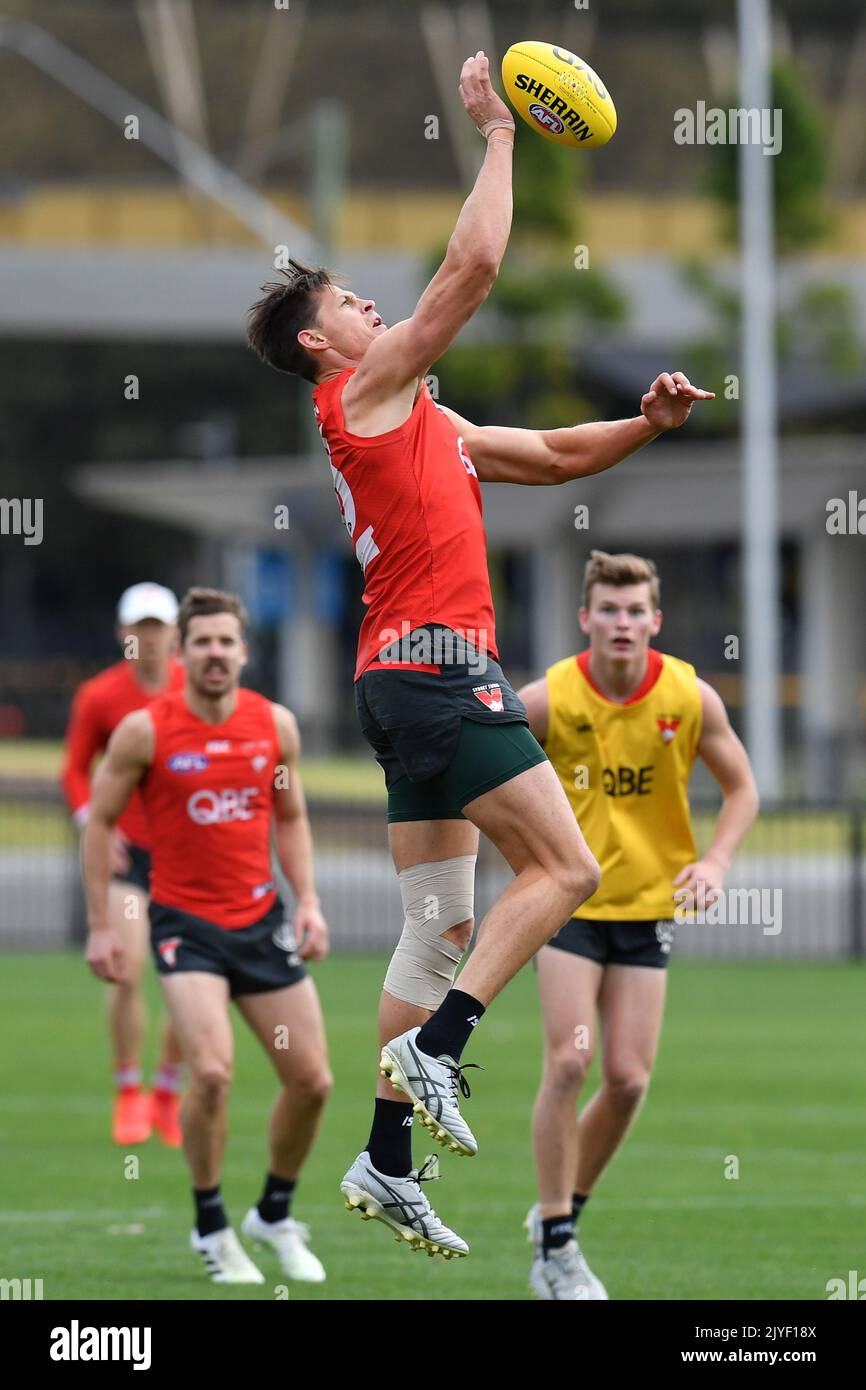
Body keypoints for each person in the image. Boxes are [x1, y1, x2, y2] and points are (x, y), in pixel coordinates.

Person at [247, 51, 714, 1257]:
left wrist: (645, 427)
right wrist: (498, 133)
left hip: (393, 680)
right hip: (436, 663)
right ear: (320, 348)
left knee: (436, 925)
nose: (373, 311)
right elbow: (473, 269)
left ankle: (386, 1154)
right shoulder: (363, 396)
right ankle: (441, 1047)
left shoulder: (425, 419)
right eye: (351, 306)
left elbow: (555, 458)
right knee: (563, 871)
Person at [518, 550, 759, 1299]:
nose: (621, 623)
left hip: (650, 907)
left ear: (654, 620)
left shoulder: (688, 696)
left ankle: (559, 1211)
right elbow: (480, 773)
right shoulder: (548, 699)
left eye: (635, 611)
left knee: (626, 1079)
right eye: (608, 610)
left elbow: (744, 788)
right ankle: (558, 1247)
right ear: (584, 617)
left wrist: (716, 861)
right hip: (569, 907)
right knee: (569, 1062)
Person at [83, 588, 332, 1285]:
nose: (216, 653)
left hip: (259, 922)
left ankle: (274, 1214)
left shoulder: (274, 725)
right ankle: (211, 1223)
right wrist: (103, 924)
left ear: (245, 652)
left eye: (227, 641)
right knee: (214, 1074)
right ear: (182, 654)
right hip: (183, 926)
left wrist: (307, 901)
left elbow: (291, 815)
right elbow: (99, 821)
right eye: (203, 642)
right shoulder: (146, 730)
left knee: (312, 1081)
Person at [61, 582, 185, 1147]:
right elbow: (73, 769)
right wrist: (94, 822)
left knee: (190, 981)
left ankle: (167, 1092)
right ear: (122, 634)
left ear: (175, 634)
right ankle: (129, 1090)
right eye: (140, 628)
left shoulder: (197, 687)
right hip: (129, 851)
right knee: (129, 966)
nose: (149, 639)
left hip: (186, 855)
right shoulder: (100, 696)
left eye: (158, 627)